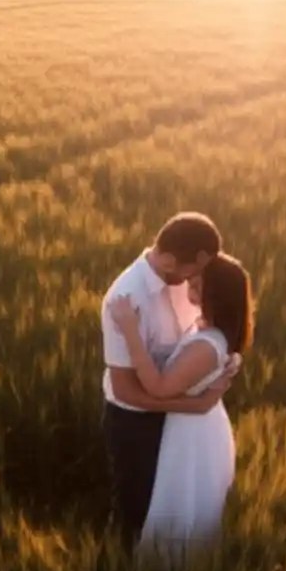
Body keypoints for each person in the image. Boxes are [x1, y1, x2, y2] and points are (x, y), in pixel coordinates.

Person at [100, 212, 238, 550]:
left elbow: (208, 333)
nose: (198, 282)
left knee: (175, 507)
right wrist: (196, 405)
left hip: (180, 428)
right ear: (170, 261)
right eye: (194, 272)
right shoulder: (126, 299)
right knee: (135, 510)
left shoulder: (186, 283)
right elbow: (125, 389)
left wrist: (225, 357)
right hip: (135, 422)